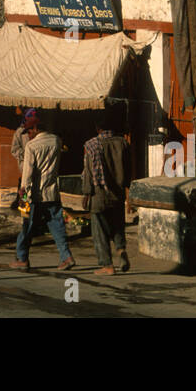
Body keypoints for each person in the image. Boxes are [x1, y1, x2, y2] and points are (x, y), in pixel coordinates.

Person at [10, 116, 75, 271]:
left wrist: (22, 194)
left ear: (36, 129)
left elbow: (27, 173)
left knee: (27, 226)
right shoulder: (56, 141)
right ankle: (66, 257)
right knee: (57, 226)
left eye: (29, 131)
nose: (28, 135)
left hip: (33, 195)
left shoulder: (32, 146)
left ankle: (22, 258)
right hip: (52, 192)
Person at [82, 109, 132, 275]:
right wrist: (129, 192)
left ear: (98, 129)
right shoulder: (123, 143)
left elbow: (88, 172)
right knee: (117, 225)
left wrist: (86, 193)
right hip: (117, 192)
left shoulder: (91, 145)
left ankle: (107, 265)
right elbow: (129, 170)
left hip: (99, 193)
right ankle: (120, 249)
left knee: (99, 230)